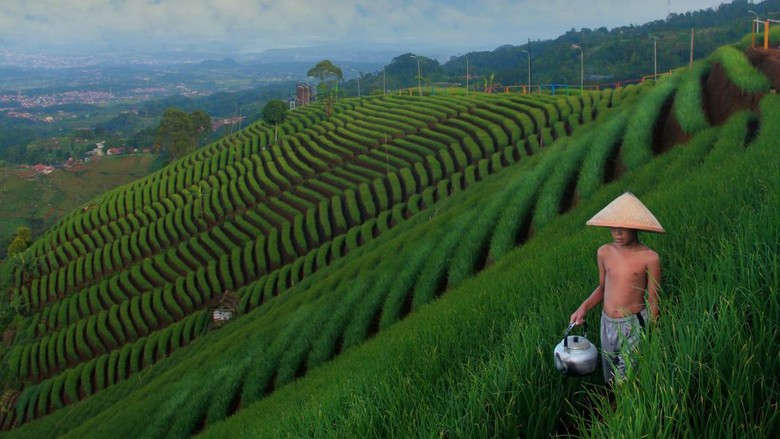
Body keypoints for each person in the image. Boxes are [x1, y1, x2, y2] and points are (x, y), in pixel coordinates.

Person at [569, 192, 663, 384]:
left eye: (623, 228)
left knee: (625, 377)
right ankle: (613, 406)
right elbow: (603, 288)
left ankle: (624, 408)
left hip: (634, 324)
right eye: (613, 227)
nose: (617, 233)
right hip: (607, 323)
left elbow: (653, 299)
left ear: (635, 227)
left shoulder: (649, 257)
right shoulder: (604, 252)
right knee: (610, 374)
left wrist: (651, 331)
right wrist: (583, 308)